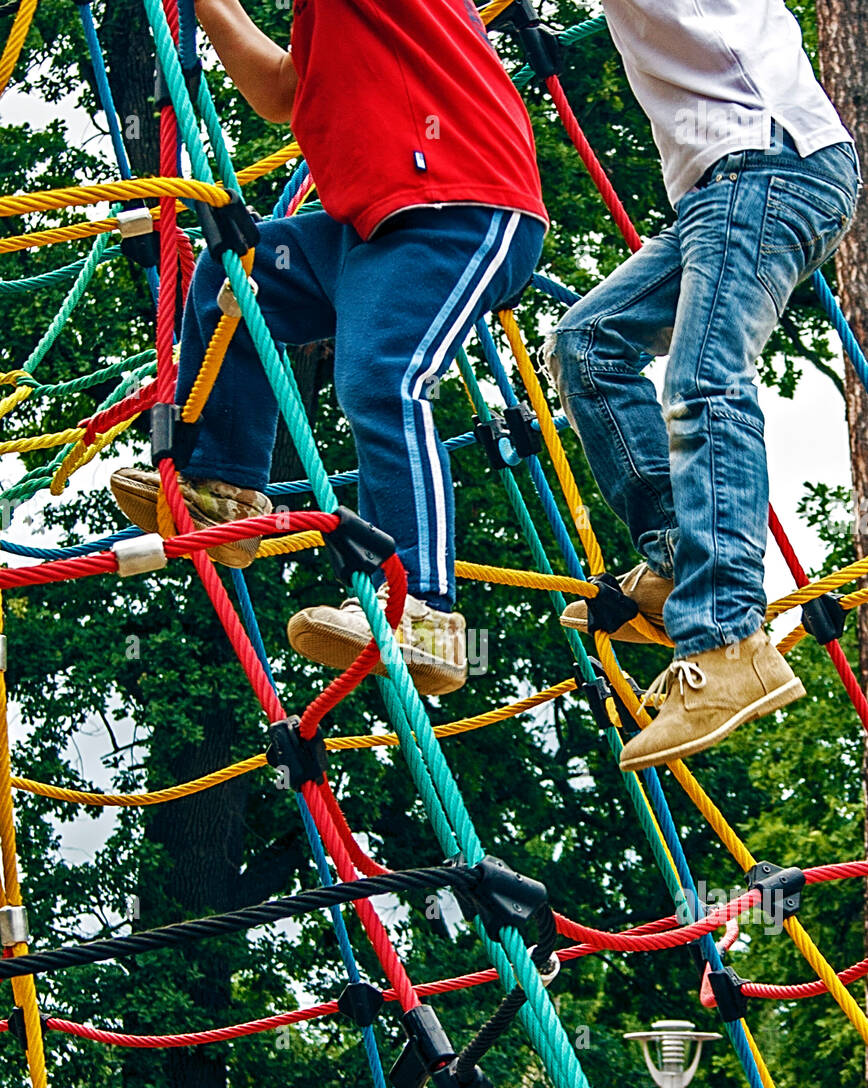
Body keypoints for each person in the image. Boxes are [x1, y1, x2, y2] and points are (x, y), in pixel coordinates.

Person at [111, 0, 547, 696]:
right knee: (236, 271)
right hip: (369, 229)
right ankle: (225, 489)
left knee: (382, 381)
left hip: (460, 205)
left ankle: (425, 609)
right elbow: (281, 91)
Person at [543, 0, 860, 770]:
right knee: (587, 345)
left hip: (769, 158)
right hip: (719, 186)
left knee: (704, 376)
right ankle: (681, 559)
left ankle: (726, 637)